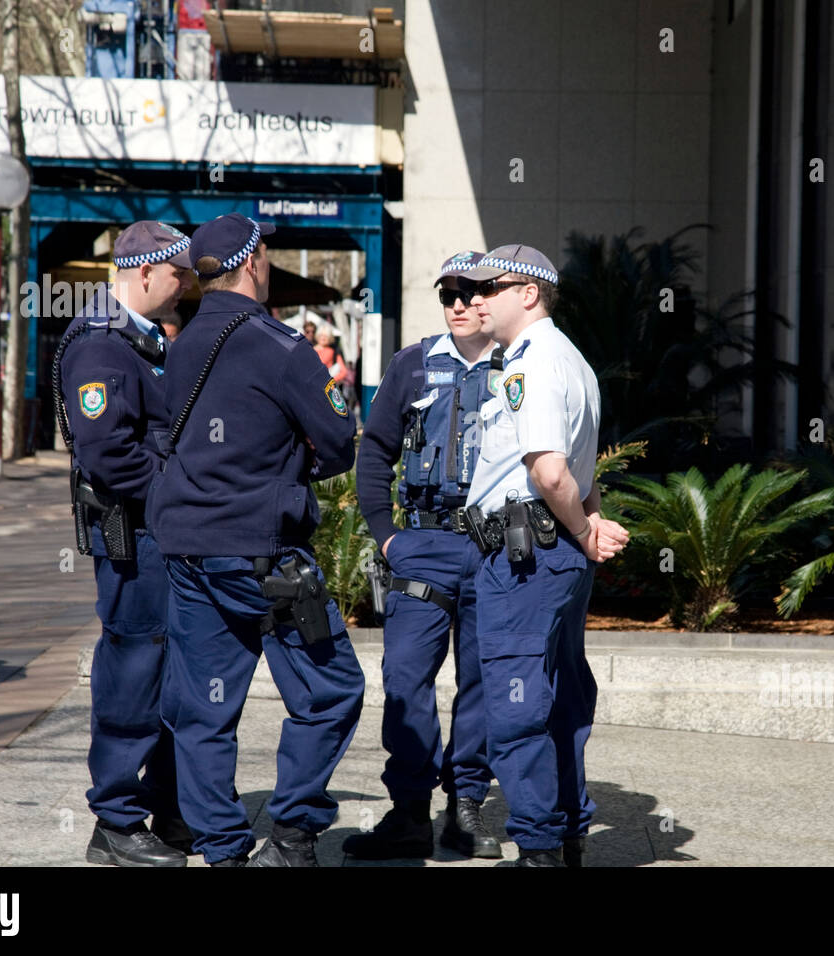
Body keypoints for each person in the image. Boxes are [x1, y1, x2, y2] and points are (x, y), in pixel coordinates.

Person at [147, 212, 364, 867]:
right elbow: (338, 442)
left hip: (188, 550)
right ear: (254, 260)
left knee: (204, 710)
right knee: (331, 691)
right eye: (267, 251)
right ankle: (294, 838)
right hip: (265, 559)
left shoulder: (179, 344)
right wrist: (293, 469)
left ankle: (221, 849)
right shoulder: (282, 346)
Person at [457, 244, 628, 867]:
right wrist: (590, 522)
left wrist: (584, 529)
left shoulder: (532, 364)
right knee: (560, 698)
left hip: (525, 557)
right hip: (550, 555)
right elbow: (583, 471)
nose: (476, 299)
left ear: (528, 293)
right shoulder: (572, 360)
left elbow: (552, 473)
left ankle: (538, 848)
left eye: (489, 288)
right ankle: (566, 836)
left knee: (517, 705)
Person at [346, 251, 500, 860]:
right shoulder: (412, 365)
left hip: (495, 547)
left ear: (495, 298)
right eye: (448, 295)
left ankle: (465, 810)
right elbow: (375, 452)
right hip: (423, 548)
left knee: (484, 683)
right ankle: (409, 813)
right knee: (406, 678)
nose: (459, 304)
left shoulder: (520, 365)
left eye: (471, 293)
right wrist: (387, 536)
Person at [55, 220, 195, 867]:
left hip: (154, 535)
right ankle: (115, 818)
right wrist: (182, 490)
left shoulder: (138, 342)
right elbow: (109, 453)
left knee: (165, 673)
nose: (187, 284)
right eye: (179, 273)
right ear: (145, 273)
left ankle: (165, 809)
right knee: (134, 670)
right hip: (134, 538)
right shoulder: (103, 346)